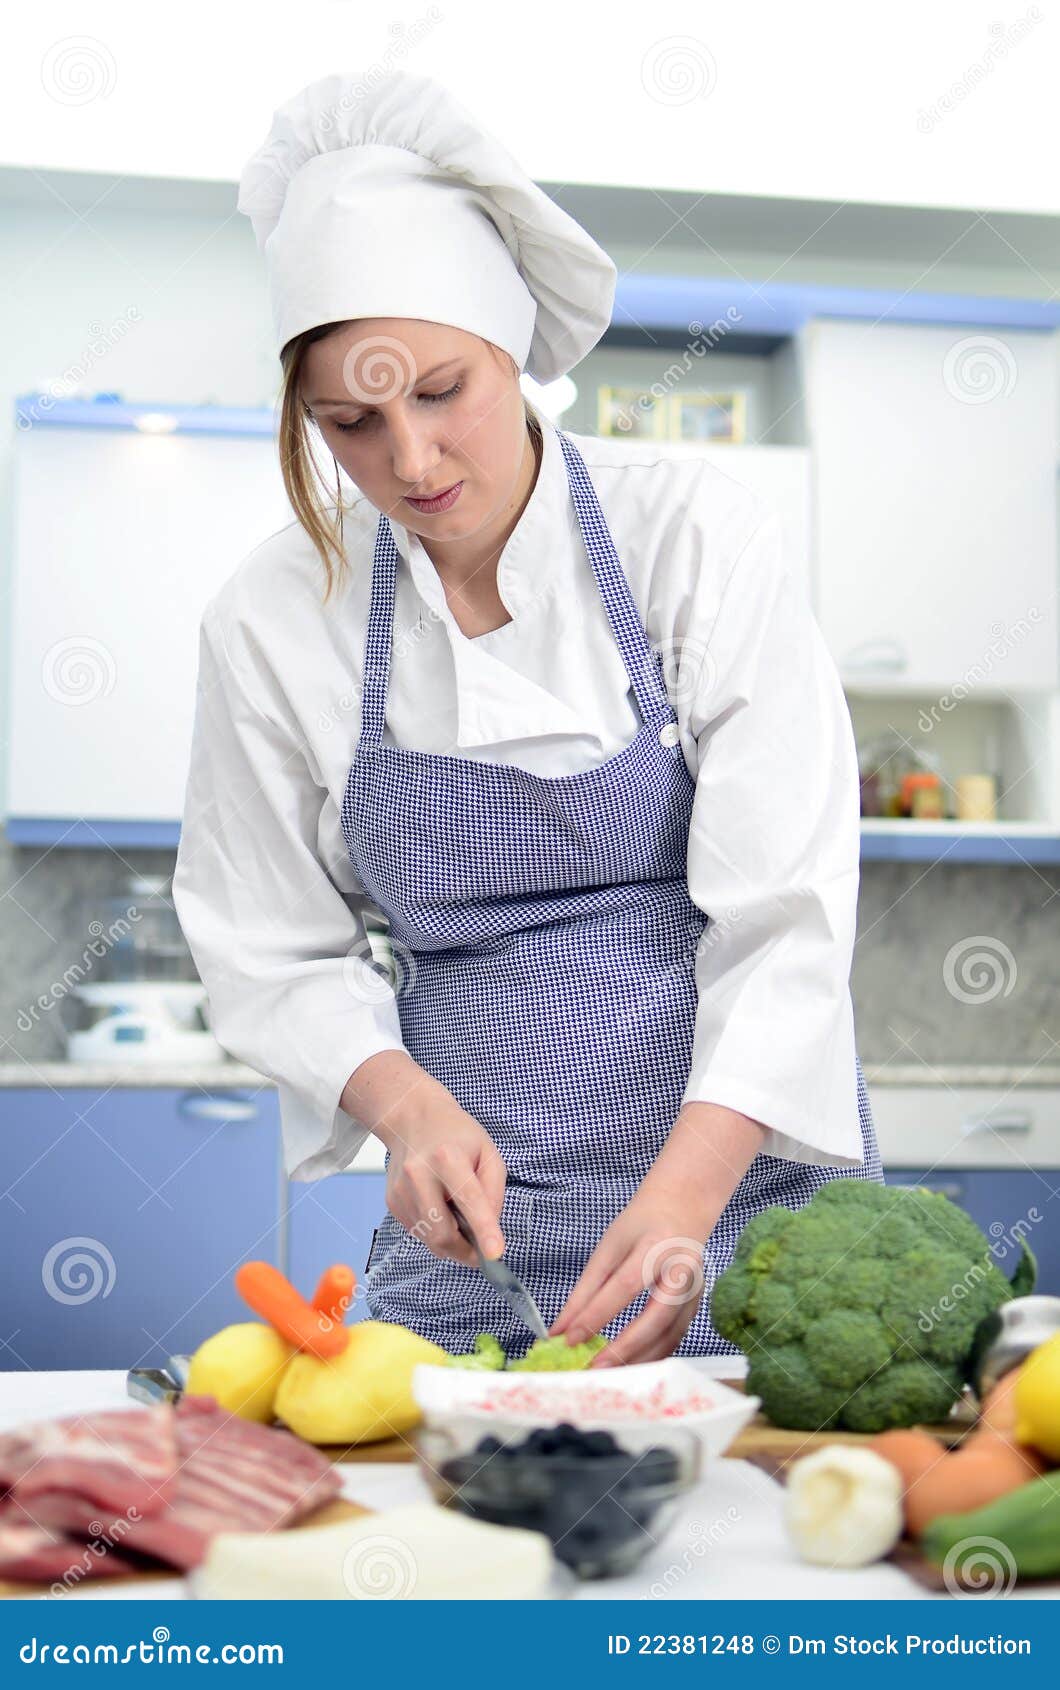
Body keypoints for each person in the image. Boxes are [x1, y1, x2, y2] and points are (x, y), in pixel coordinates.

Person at [172, 70, 883, 1367]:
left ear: (514, 349)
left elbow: (787, 914)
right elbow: (263, 945)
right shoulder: (271, 618)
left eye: (443, 391)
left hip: (747, 1199)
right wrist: (406, 1106)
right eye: (351, 423)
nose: (412, 462)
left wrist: (681, 1199)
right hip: (472, 1238)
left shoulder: (692, 535)